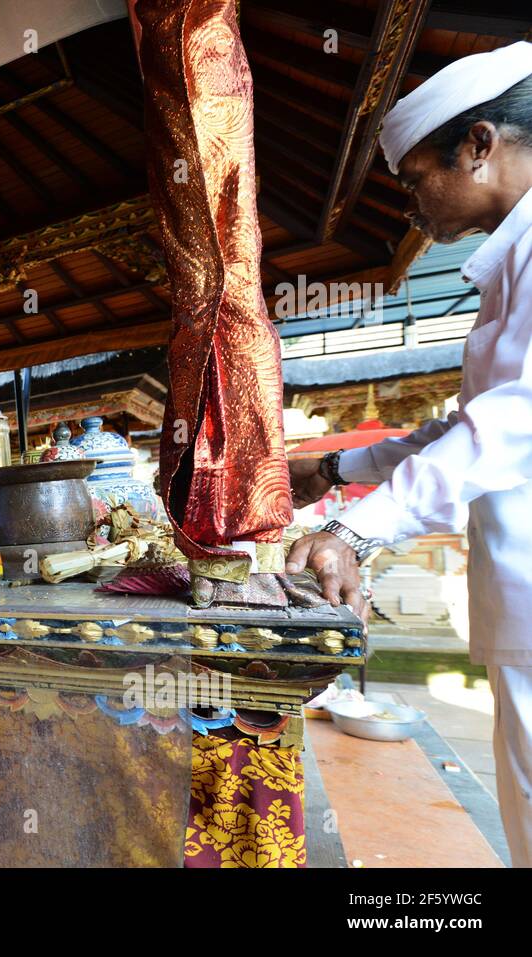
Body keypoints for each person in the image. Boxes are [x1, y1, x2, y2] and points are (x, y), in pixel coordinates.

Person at [286, 42, 532, 867]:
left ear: (479, 145)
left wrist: (357, 532)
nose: (410, 207)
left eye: (413, 180)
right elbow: (464, 425)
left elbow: (513, 425)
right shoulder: (508, 268)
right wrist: (331, 471)